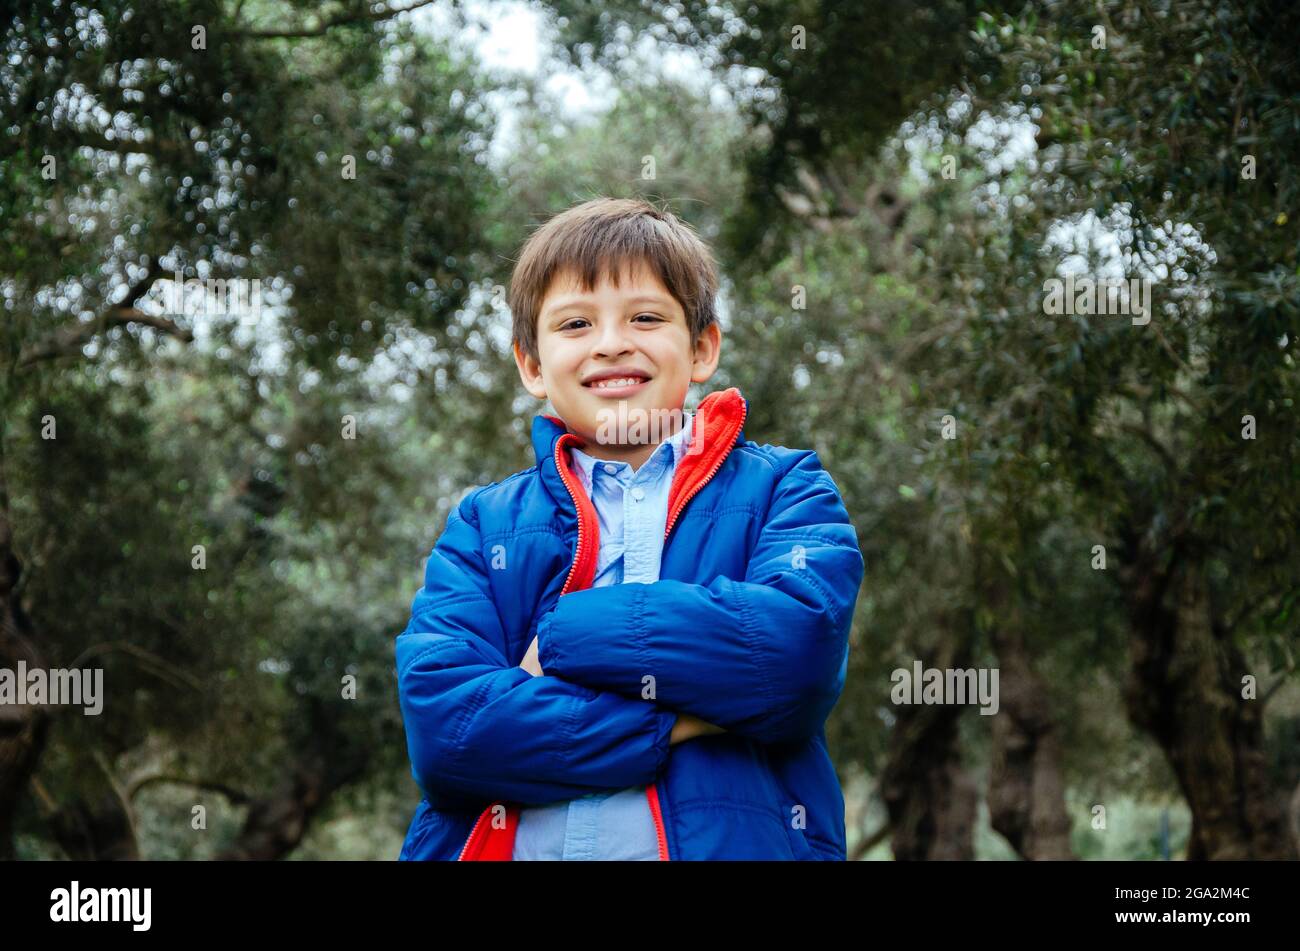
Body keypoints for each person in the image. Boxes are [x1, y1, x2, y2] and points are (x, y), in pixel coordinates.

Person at [395, 196, 864, 860]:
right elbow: (449, 738)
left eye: (645, 317)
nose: (612, 343)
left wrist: (560, 635)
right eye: (576, 323)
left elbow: (793, 659)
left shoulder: (786, 488)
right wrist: (680, 719)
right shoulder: (483, 525)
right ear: (532, 365)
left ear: (701, 348)